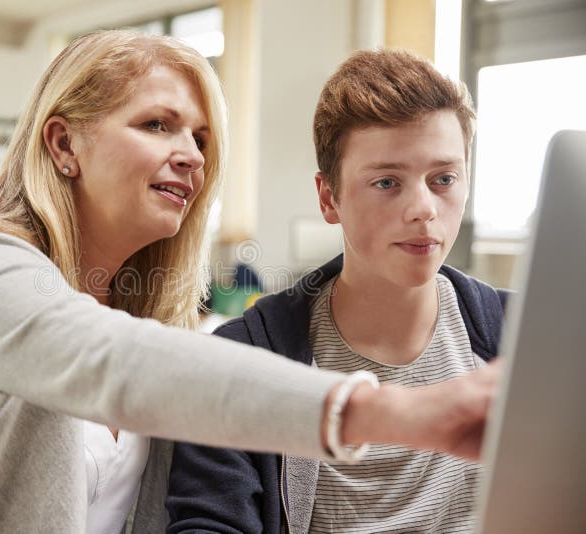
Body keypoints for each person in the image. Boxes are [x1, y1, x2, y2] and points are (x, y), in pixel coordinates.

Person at [0, 33, 498, 534]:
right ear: (64, 144)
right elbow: (105, 360)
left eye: (200, 139)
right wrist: (400, 414)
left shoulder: (152, 320)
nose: (189, 155)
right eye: (158, 124)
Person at [166, 49, 509, 533]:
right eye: (387, 182)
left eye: (444, 179)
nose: (423, 208)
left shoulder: (522, 338)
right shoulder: (244, 358)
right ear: (329, 198)